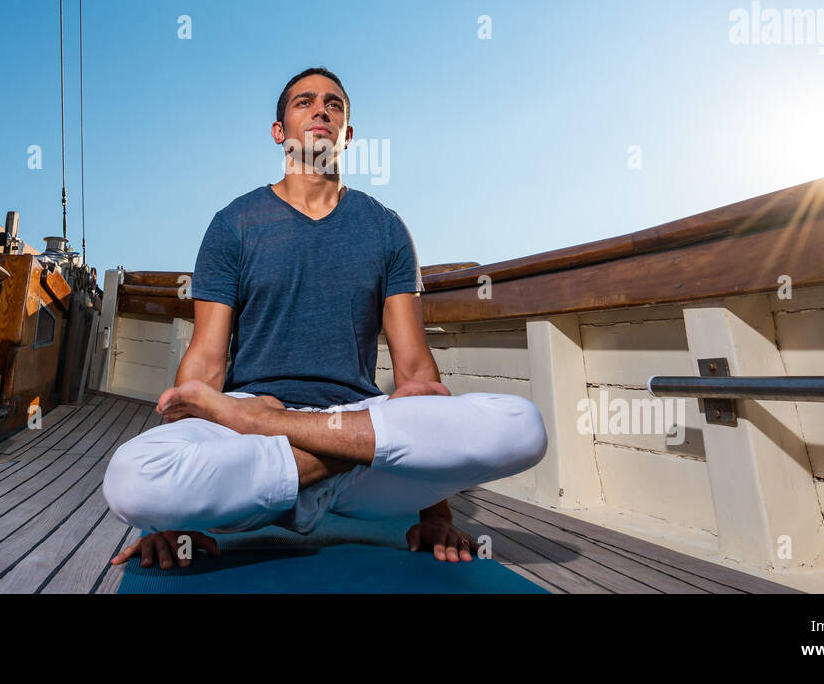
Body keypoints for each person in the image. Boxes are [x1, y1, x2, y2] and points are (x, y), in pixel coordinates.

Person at [104, 67, 548, 570]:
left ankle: (278, 435)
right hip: (260, 428)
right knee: (131, 478)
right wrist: (173, 521)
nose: (321, 110)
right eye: (305, 102)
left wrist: (436, 513)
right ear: (279, 132)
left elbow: (416, 376)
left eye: (334, 105)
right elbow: (206, 364)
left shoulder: (385, 228)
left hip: (344, 430)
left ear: (347, 133)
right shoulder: (234, 224)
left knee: (523, 426)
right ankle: (283, 441)